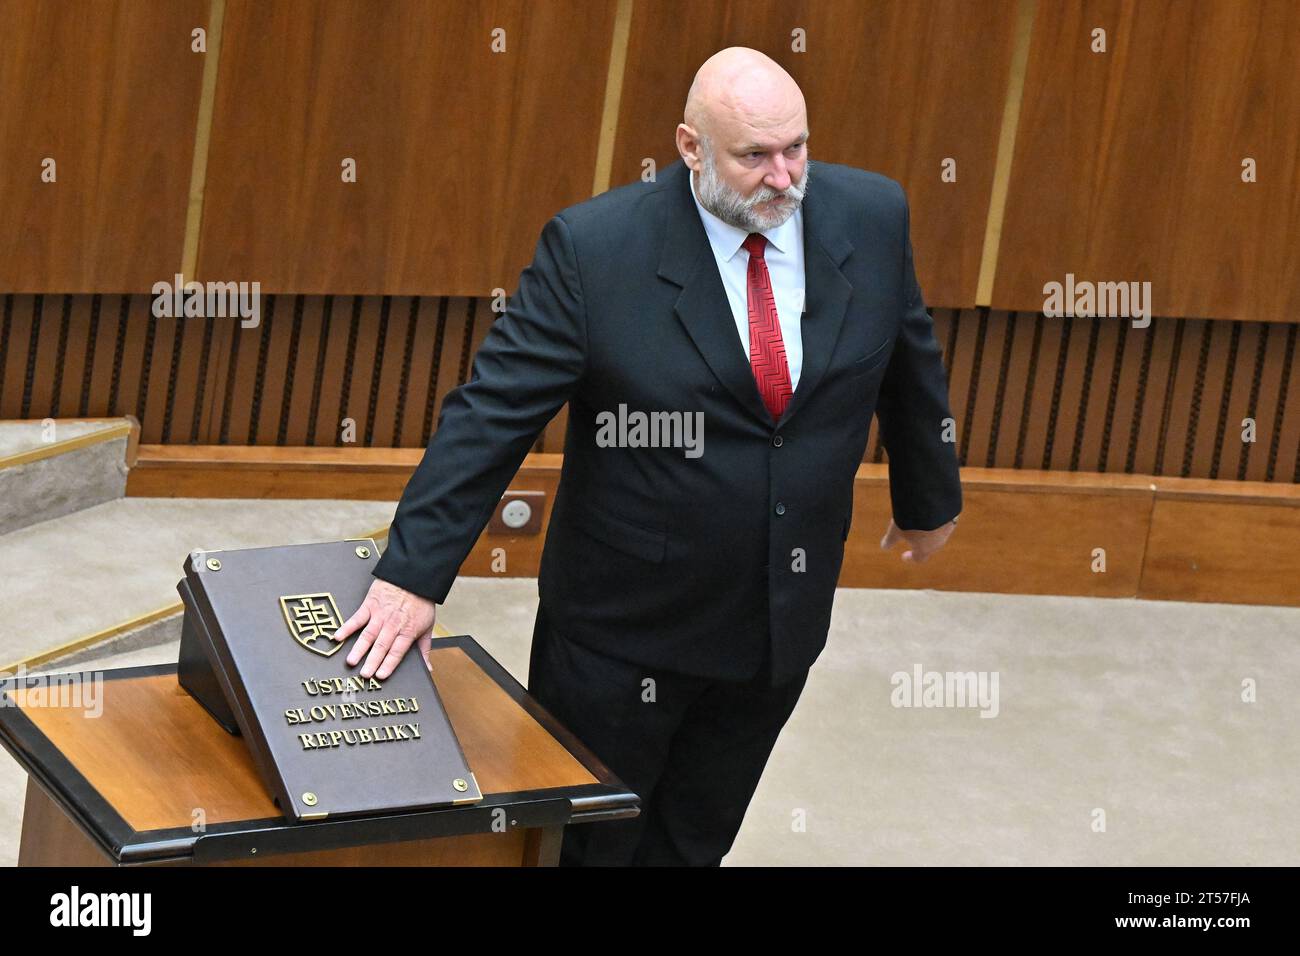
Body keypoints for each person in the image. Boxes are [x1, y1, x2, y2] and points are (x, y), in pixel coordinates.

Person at [332, 46, 961, 865]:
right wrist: (414, 574)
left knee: (695, 839)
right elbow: (491, 415)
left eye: (796, 147)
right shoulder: (596, 250)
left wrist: (927, 497)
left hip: (777, 620)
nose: (784, 177)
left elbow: (909, 357)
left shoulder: (872, 215)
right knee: (586, 851)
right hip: (621, 637)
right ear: (691, 147)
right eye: (754, 156)